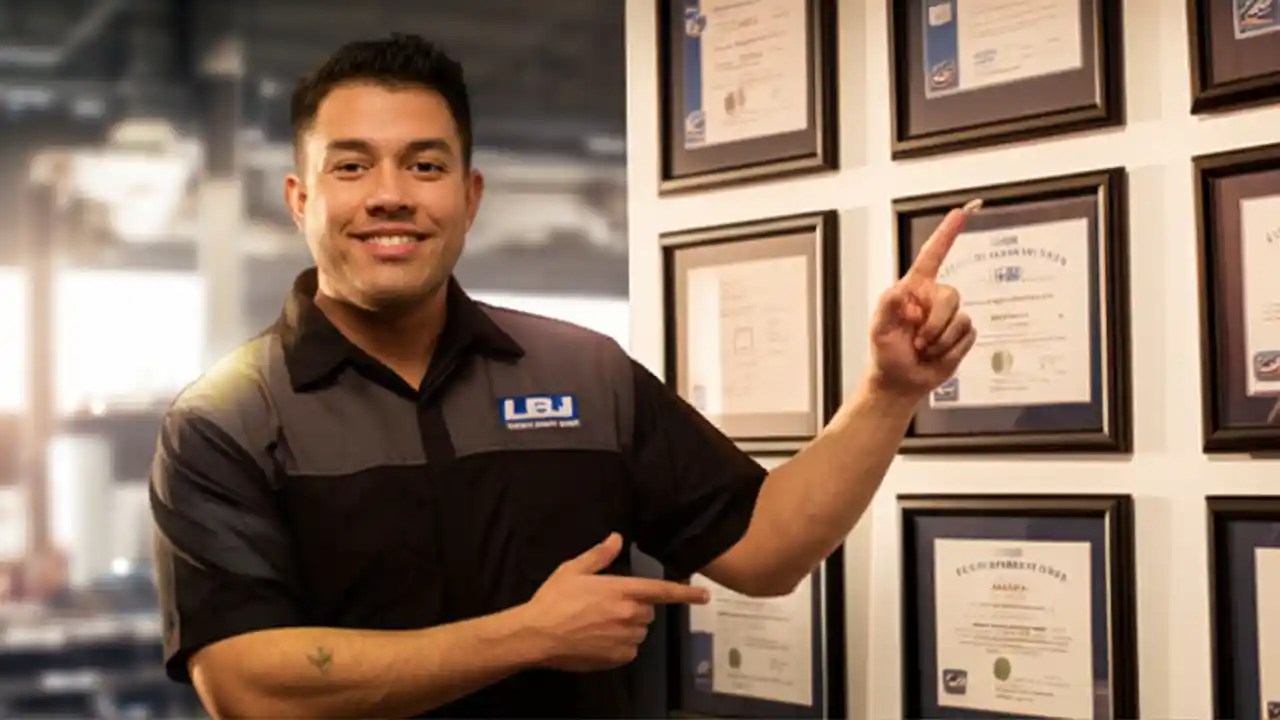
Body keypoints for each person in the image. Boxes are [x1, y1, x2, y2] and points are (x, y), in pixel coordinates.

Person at [147, 33, 977, 719]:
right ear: (299, 198)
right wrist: (531, 635)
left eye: (426, 166)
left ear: (470, 197)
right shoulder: (227, 419)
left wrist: (889, 392)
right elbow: (247, 685)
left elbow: (768, 550)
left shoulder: (583, 372)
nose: (391, 195)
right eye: (352, 166)